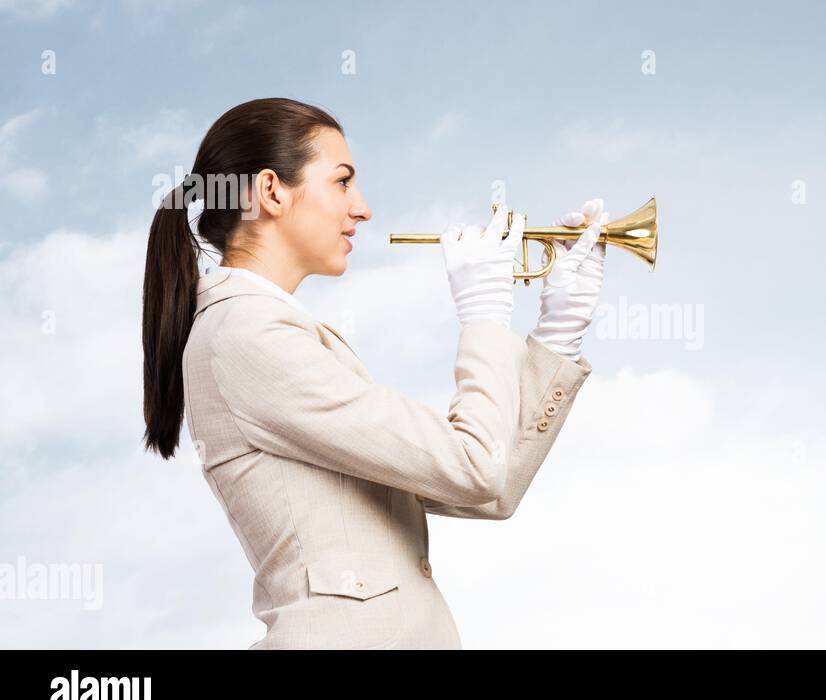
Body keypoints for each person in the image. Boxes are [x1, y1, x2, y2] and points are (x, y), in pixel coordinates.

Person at [141, 97, 606, 648]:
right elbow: (475, 468)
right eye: (342, 182)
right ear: (271, 192)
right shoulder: (247, 334)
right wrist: (483, 314)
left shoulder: (266, 330)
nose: (362, 208)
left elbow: (489, 489)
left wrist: (557, 335)